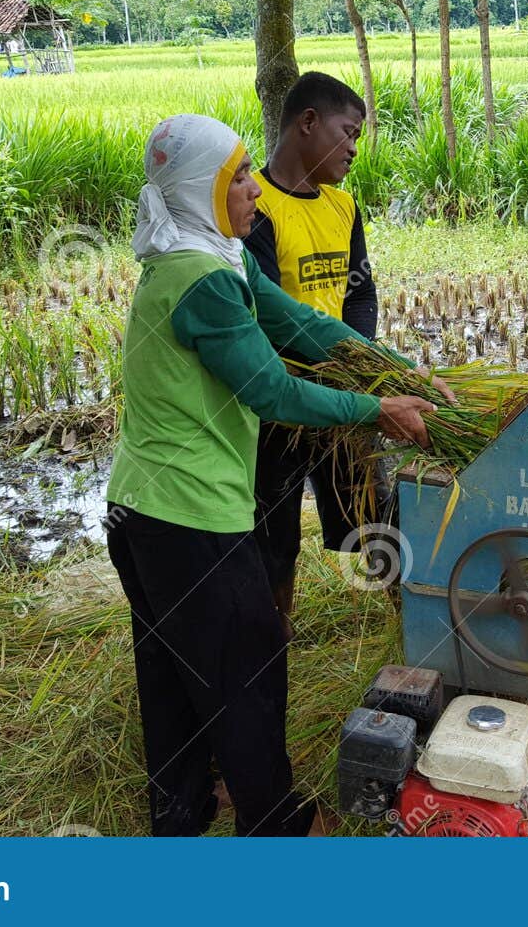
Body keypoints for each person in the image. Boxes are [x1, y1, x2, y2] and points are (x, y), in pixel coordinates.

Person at [105, 113, 436, 835]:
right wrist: (374, 408)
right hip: (189, 517)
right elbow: (271, 389)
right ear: (201, 187)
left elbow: (293, 322)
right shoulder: (203, 280)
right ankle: (275, 824)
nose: (253, 190)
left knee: (172, 673)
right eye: (239, 176)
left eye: (252, 171)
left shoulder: (208, 252)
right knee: (246, 673)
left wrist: (387, 364)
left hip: (140, 509)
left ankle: (182, 812)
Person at [241, 72, 391, 635]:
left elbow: (360, 291)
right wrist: (330, 371)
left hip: (343, 394)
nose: (355, 148)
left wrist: (361, 362)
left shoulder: (343, 207)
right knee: (274, 532)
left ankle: (410, 618)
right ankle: (275, 635)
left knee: (374, 512)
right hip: (283, 399)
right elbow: (268, 315)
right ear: (307, 122)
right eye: (348, 132)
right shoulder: (254, 207)